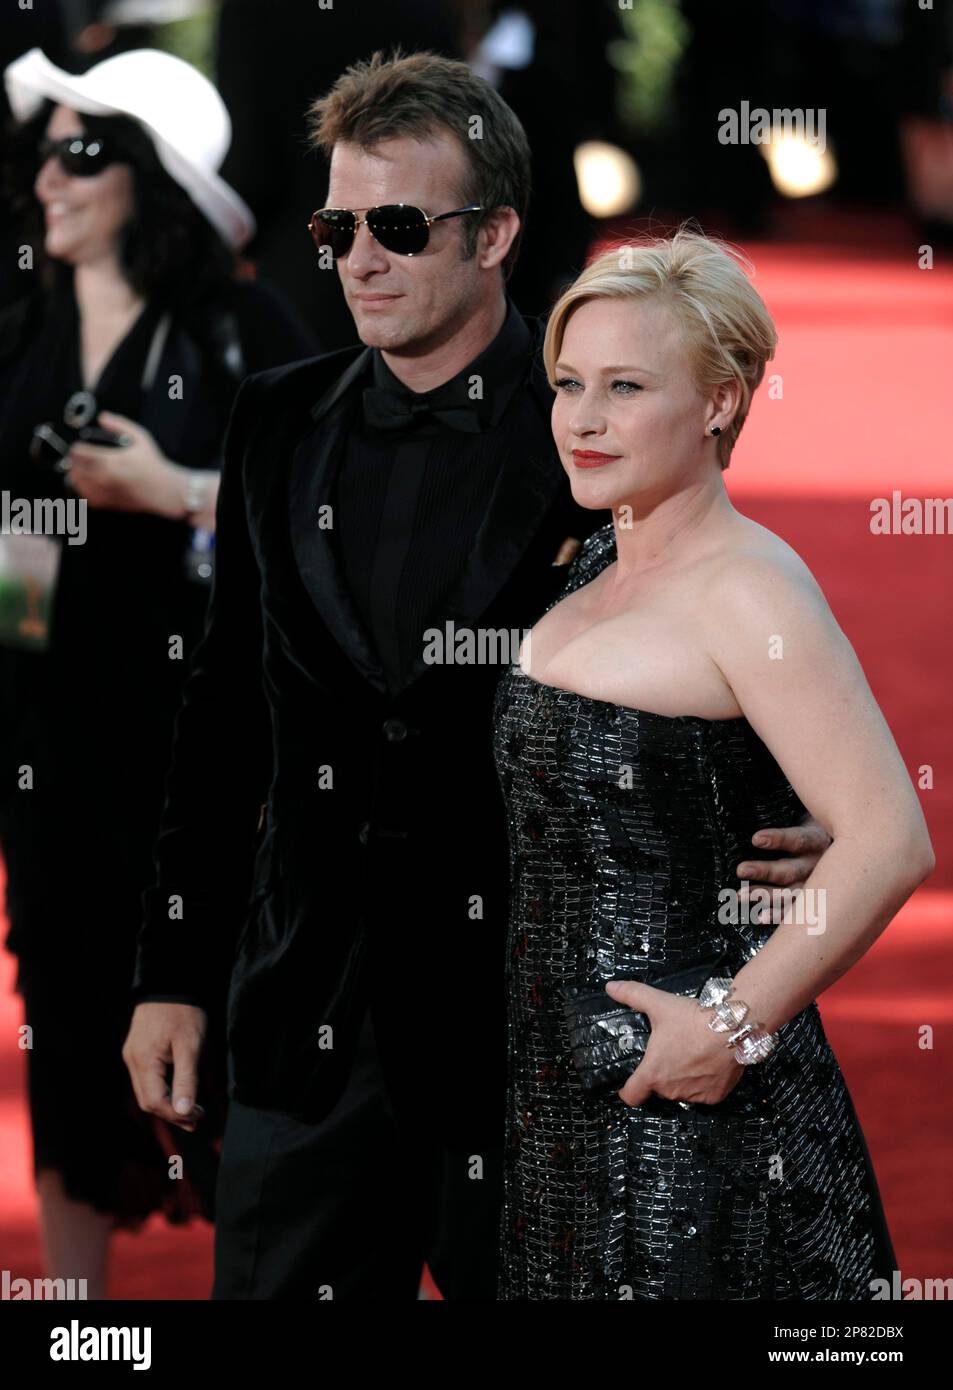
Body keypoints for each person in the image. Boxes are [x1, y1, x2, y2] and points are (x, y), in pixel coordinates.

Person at [122, 51, 831, 1302]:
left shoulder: (593, 428)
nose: (358, 260)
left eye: (398, 226)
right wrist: (172, 973)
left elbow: (716, 644)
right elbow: (223, 713)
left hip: (534, 1037)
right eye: (336, 227)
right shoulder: (272, 422)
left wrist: (789, 809)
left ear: (497, 231)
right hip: (305, 1015)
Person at [493, 229, 934, 1300]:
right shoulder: (596, 550)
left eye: (625, 386)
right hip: (557, 1106)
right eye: (567, 384)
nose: (583, 419)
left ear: (720, 402)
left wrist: (730, 1028)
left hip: (696, 1124)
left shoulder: (749, 589)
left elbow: (888, 837)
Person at [0, 46, 316, 1298]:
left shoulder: (246, 333)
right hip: (52, 751)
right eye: (45, 147)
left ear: (152, 178)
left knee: (236, 1030)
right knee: (67, 1028)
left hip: (209, 754)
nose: (48, 176)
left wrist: (175, 494)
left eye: (83, 150)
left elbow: (315, 518)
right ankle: (77, 1327)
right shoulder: (17, 328)